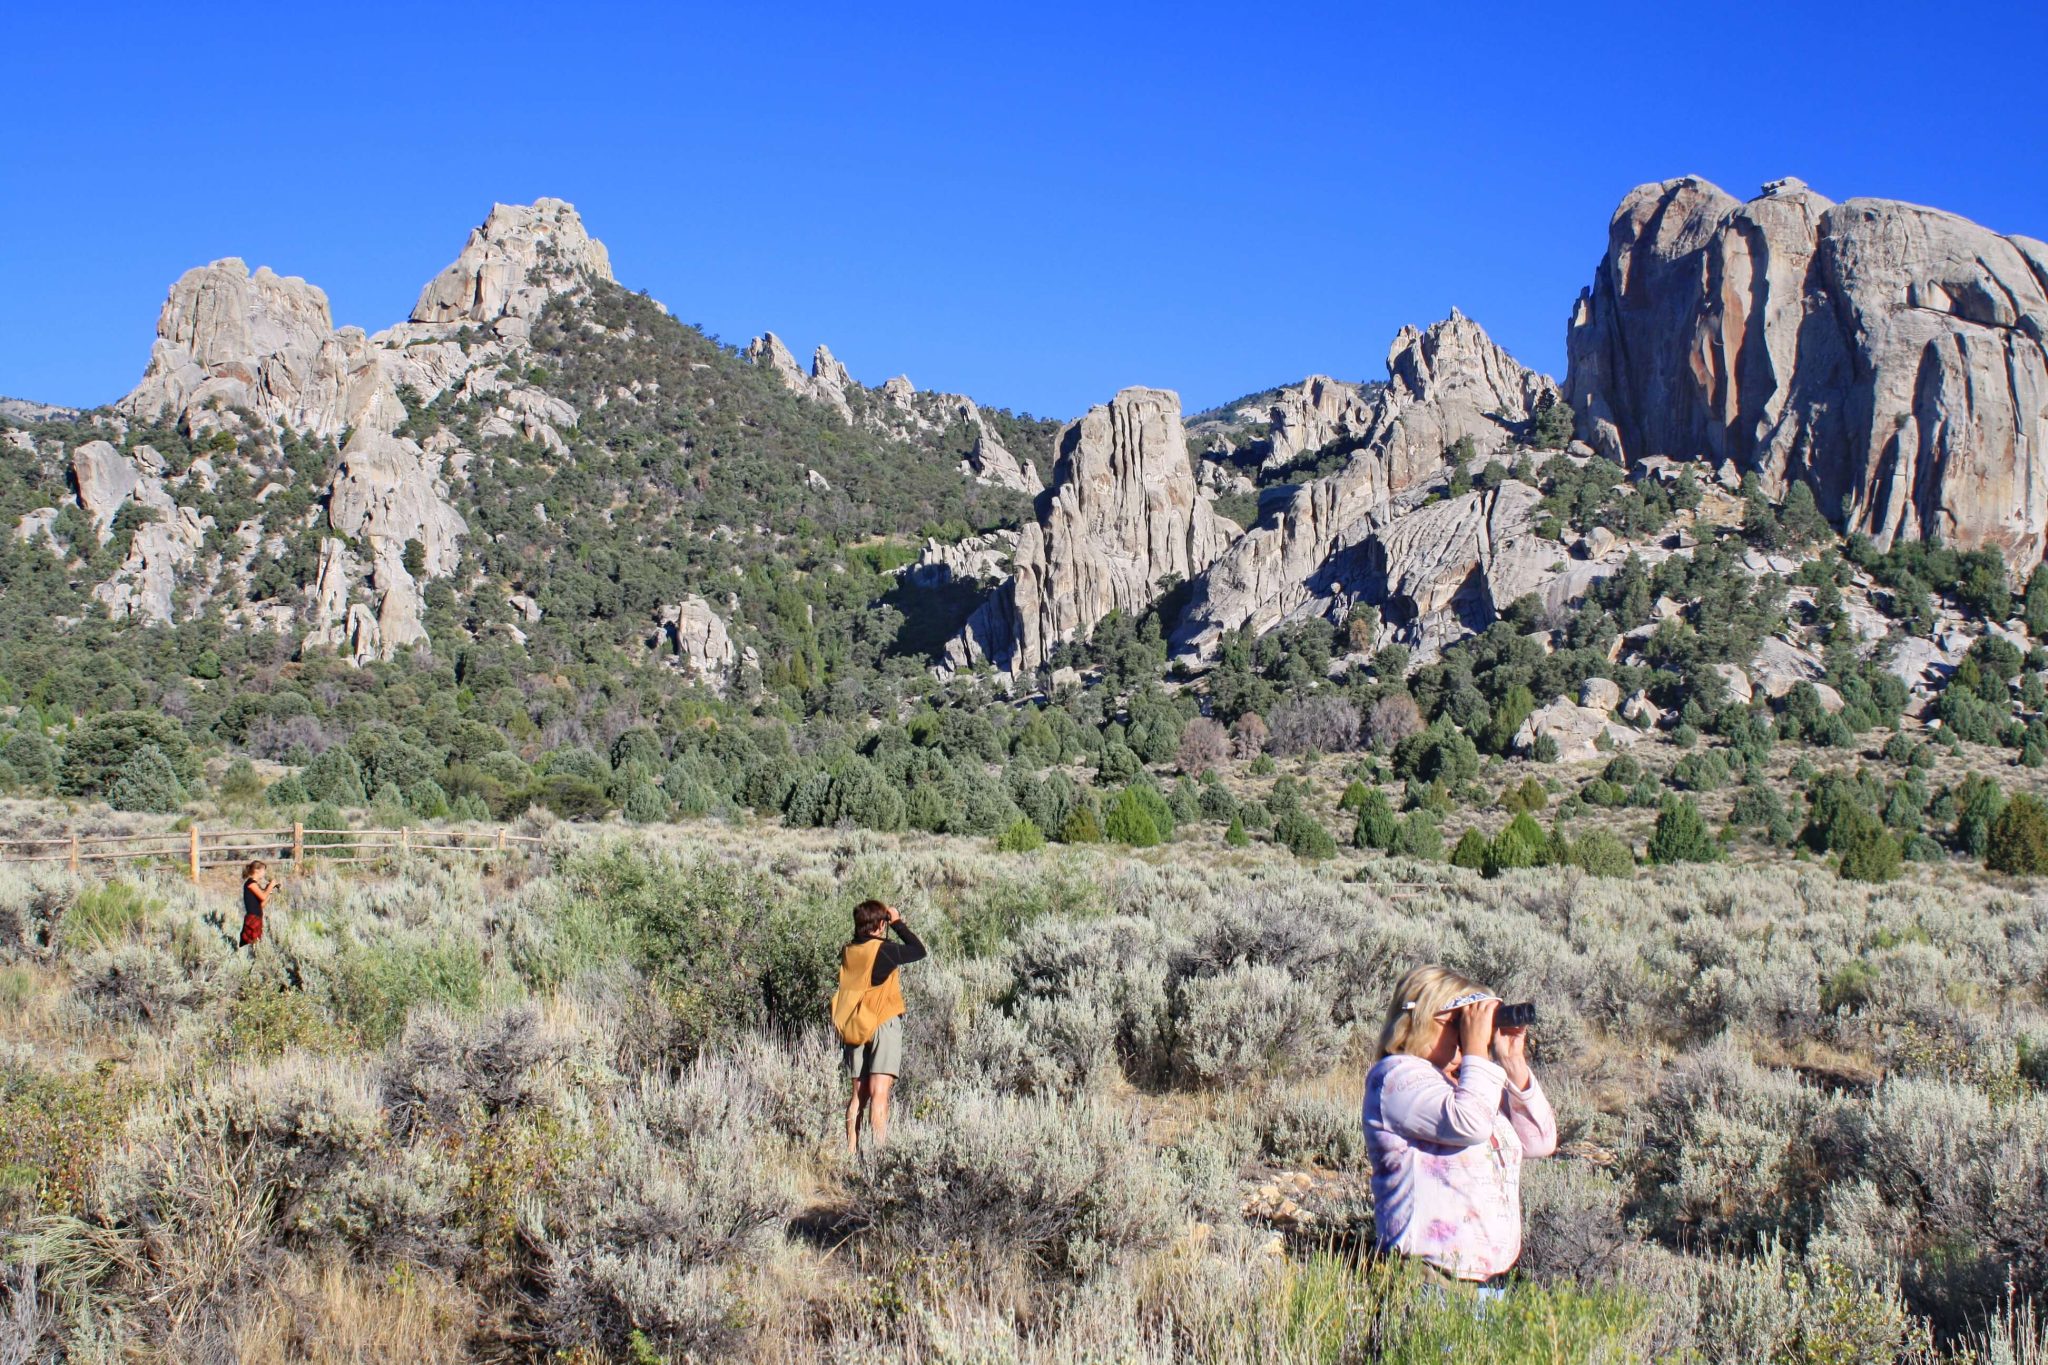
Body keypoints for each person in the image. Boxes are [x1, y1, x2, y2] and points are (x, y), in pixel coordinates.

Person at [1361, 964, 1557, 1295]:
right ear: (1419, 1019)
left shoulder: (1466, 1087)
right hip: (1429, 1281)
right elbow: (1469, 1123)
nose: (1467, 1037)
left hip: (1489, 1284)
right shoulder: (1396, 1077)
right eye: (1459, 1023)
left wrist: (1511, 1062)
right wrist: (1478, 1052)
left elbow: (1539, 1141)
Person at [832, 899, 924, 1155]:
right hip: (882, 1021)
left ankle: (851, 1151)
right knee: (879, 1092)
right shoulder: (884, 950)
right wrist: (898, 923)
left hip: (855, 1025)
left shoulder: (848, 950)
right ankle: (878, 1154)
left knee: (858, 1095)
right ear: (880, 924)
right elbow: (918, 950)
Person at [239, 860, 274, 948]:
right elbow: (262, 896)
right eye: (263, 870)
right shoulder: (250, 883)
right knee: (250, 943)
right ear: (257, 871)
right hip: (252, 918)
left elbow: (261, 905)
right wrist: (270, 886)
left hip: (257, 917)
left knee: (256, 944)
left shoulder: (255, 884)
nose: (264, 873)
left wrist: (269, 891)